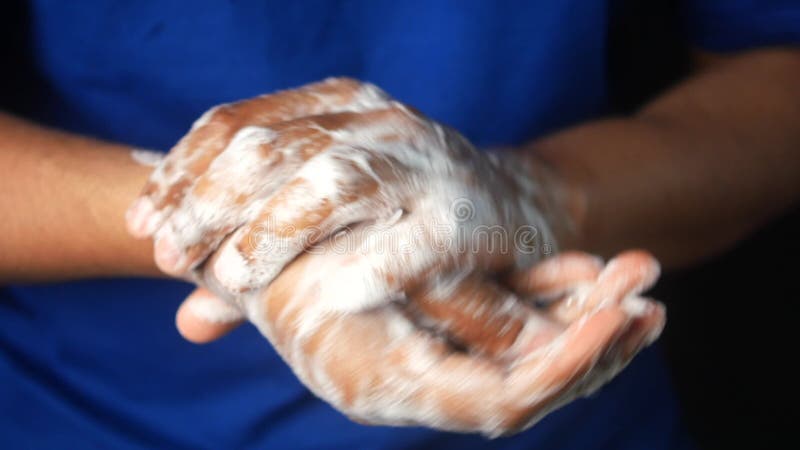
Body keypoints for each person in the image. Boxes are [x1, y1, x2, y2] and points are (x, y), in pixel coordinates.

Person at [1, 1, 798, 448]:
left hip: (578, 400)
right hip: (102, 419)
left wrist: (538, 197)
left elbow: (775, 73)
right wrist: (241, 218)